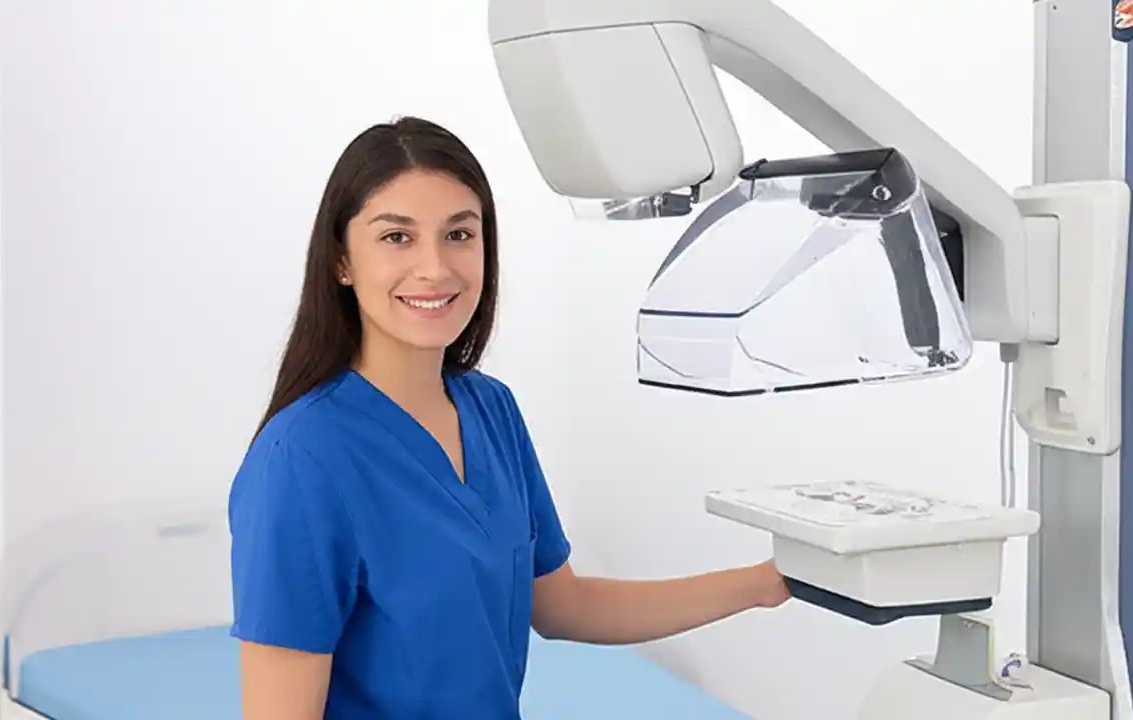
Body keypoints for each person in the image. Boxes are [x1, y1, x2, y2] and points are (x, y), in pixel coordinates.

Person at [227, 116, 790, 720]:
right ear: (342, 261)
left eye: (459, 235)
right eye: (397, 237)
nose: (435, 268)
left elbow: (562, 605)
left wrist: (768, 582)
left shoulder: (490, 410)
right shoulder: (302, 459)